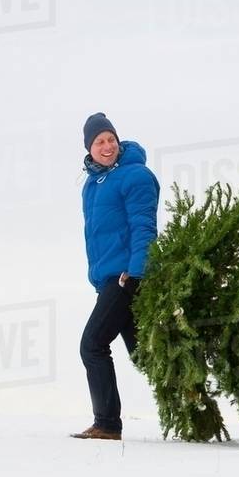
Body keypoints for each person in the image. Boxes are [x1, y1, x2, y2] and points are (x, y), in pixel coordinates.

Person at [71, 112, 160, 440]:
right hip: (108, 278)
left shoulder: (135, 175)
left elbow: (143, 227)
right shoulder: (92, 185)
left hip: (125, 277)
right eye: (99, 142)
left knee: (92, 344)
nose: (107, 146)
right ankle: (192, 403)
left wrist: (137, 274)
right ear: (89, 148)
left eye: (111, 139)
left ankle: (107, 424)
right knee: (146, 356)